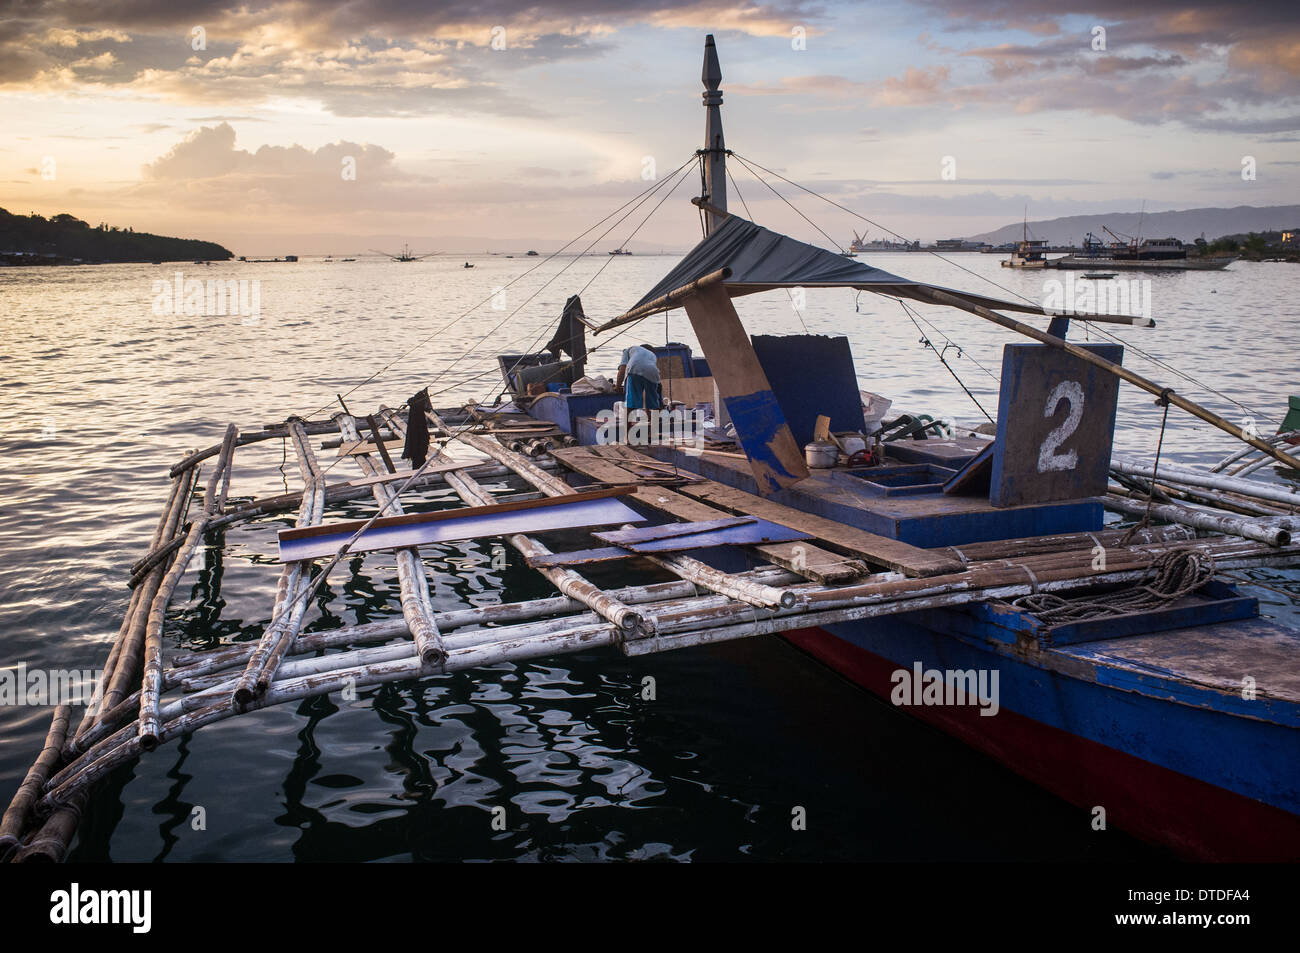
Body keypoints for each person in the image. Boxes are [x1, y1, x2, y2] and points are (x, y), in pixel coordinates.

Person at [616, 344, 662, 412]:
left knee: (632, 401)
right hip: (653, 372)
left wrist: (618, 386)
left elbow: (622, 369)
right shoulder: (652, 355)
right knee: (653, 401)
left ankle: (627, 422)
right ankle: (654, 420)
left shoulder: (627, 350)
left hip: (635, 368)